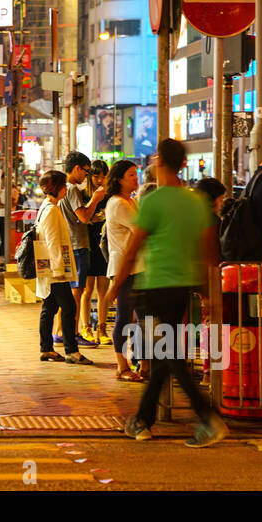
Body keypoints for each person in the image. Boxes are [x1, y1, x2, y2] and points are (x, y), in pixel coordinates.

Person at [109, 139, 227, 447]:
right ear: (183, 164)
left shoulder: (154, 201)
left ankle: (208, 417)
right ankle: (142, 421)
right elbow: (209, 250)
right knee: (164, 356)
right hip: (183, 288)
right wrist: (210, 292)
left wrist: (116, 285)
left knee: (169, 354)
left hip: (155, 286)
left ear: (160, 161)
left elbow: (134, 247)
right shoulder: (195, 203)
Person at [35, 170, 93, 365]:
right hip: (54, 270)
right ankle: (71, 351)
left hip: (49, 268)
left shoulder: (48, 207)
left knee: (49, 307)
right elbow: (52, 242)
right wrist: (59, 271)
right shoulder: (51, 210)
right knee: (68, 307)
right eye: (64, 186)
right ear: (59, 188)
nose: (66, 189)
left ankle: (46, 349)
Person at [101, 160, 143, 381]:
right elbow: (142, 229)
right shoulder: (118, 204)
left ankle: (143, 364)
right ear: (118, 179)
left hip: (138, 266)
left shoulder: (131, 202)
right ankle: (122, 366)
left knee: (143, 318)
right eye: (131, 175)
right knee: (124, 317)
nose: (136, 178)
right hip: (124, 268)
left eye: (136, 174)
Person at [84, 163, 111, 344]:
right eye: (96, 176)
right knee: (87, 289)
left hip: (104, 246)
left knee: (103, 290)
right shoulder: (85, 195)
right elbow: (81, 218)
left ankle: (102, 329)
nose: (100, 180)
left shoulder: (109, 197)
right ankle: (86, 328)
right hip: (87, 245)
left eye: (103, 176)